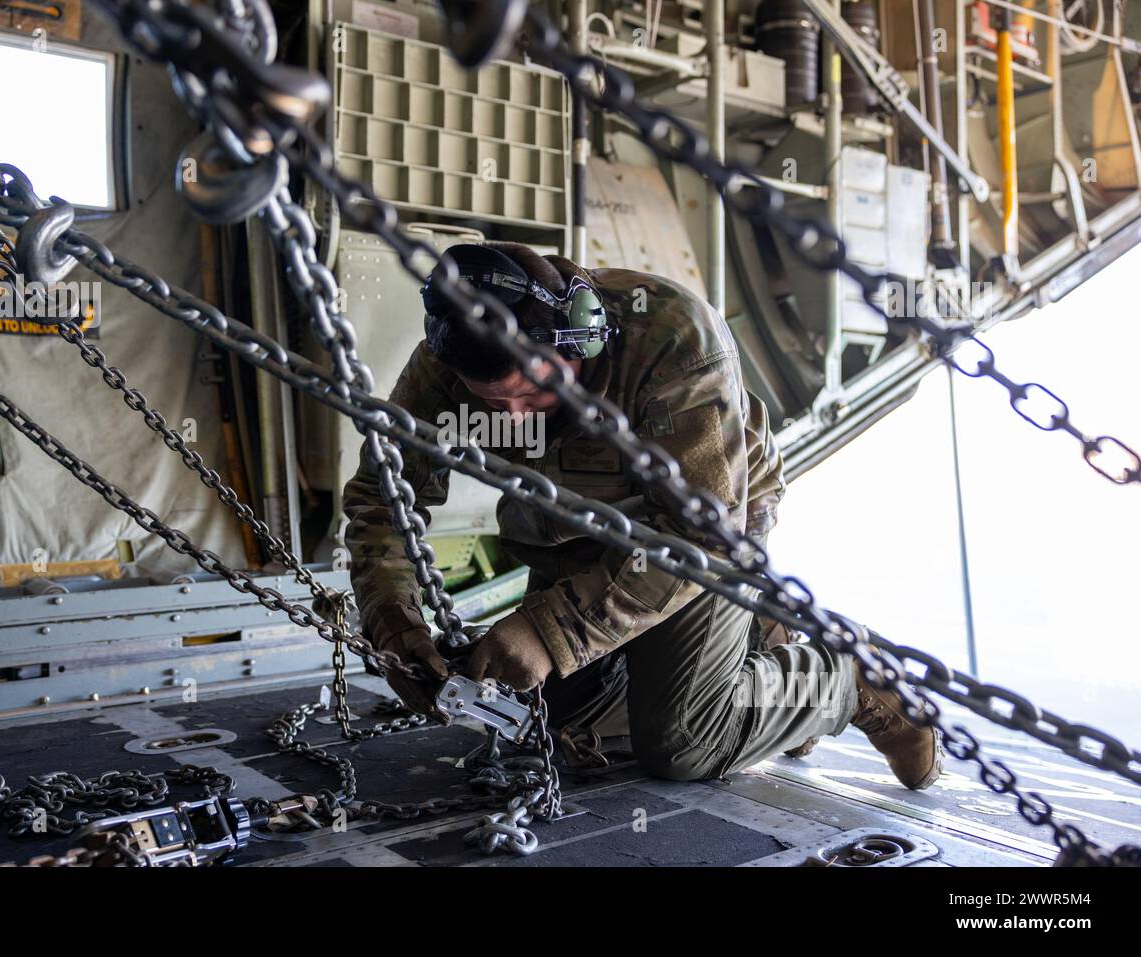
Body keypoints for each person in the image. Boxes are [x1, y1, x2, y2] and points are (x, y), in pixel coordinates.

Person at [342, 241, 942, 789]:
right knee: (546, 712)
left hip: (706, 530)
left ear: (582, 340)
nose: (515, 418)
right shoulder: (447, 364)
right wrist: (394, 622)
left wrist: (555, 632)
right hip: (574, 527)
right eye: (495, 404)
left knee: (683, 742)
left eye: (531, 394)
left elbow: (702, 534)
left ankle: (850, 679)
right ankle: (750, 667)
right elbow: (384, 498)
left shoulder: (672, 337)